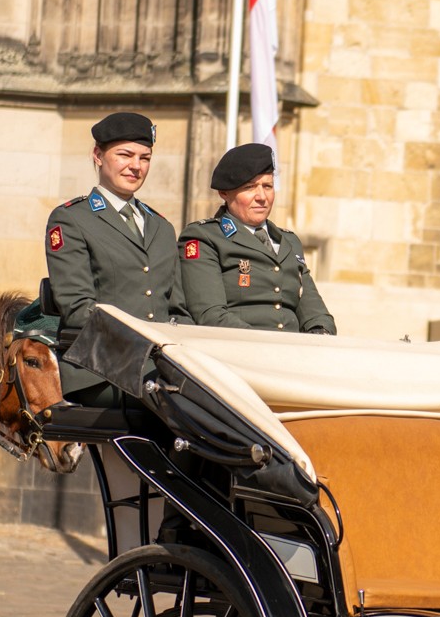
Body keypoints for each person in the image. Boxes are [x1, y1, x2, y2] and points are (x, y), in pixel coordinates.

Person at [46, 111, 189, 402]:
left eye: (145, 158)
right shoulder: (72, 219)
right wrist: (146, 343)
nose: (136, 166)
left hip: (160, 368)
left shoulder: (161, 227)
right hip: (100, 371)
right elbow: (77, 309)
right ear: (98, 155)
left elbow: (179, 310)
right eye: (125, 155)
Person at [179, 143, 334, 334]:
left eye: (267, 186)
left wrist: (319, 336)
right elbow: (211, 315)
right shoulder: (205, 237)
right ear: (224, 193)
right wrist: (268, 346)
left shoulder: (289, 242)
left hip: (291, 354)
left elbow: (315, 313)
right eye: (250, 187)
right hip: (238, 353)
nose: (262, 197)